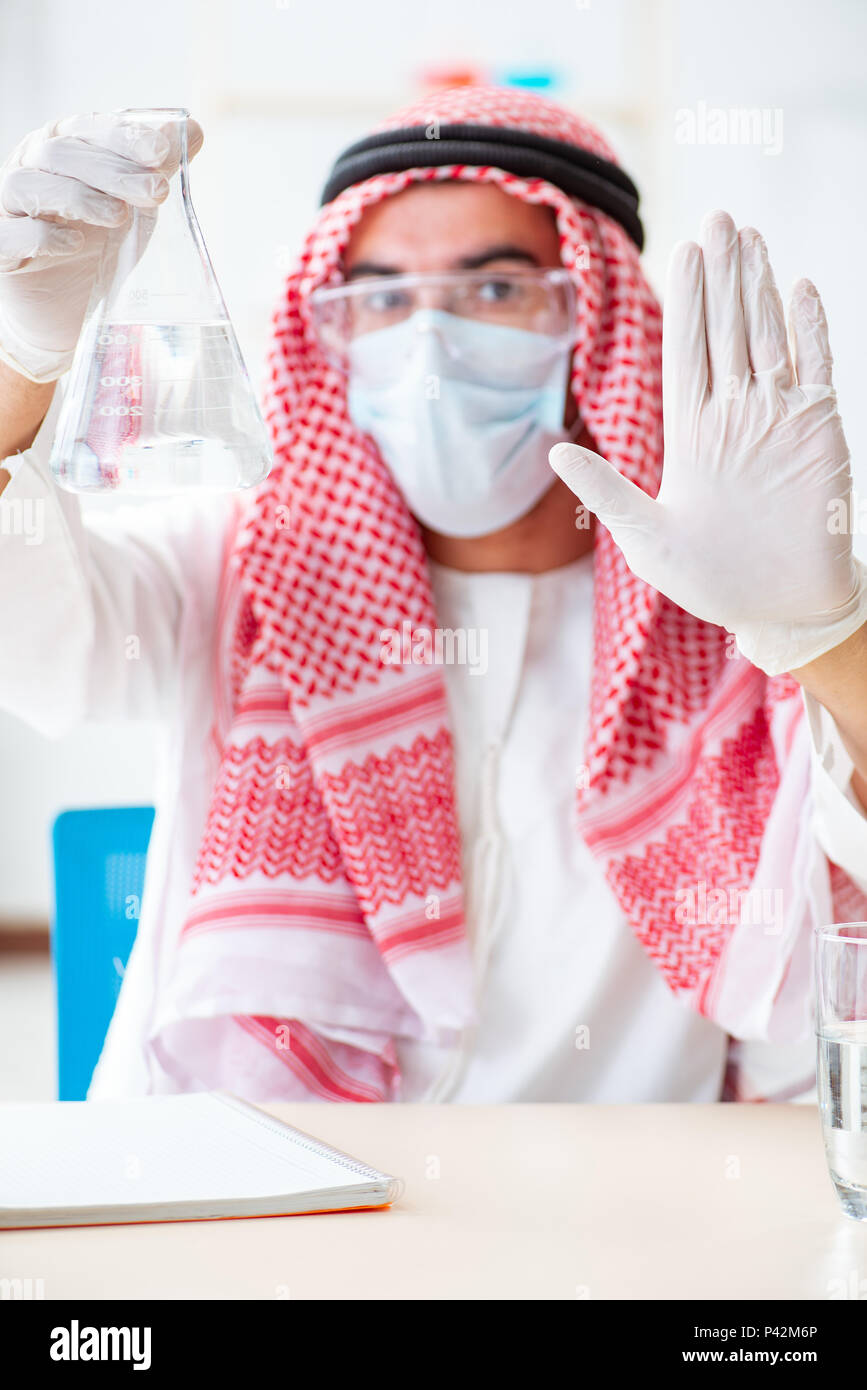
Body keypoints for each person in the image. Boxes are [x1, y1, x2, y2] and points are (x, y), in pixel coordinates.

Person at [2, 86, 866, 1104]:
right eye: (381, 295)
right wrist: (16, 372)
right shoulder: (239, 572)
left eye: (494, 289)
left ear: (593, 318)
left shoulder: (734, 616)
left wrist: (824, 638)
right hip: (252, 1219)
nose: (428, 341)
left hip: (626, 1237)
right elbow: (42, 652)